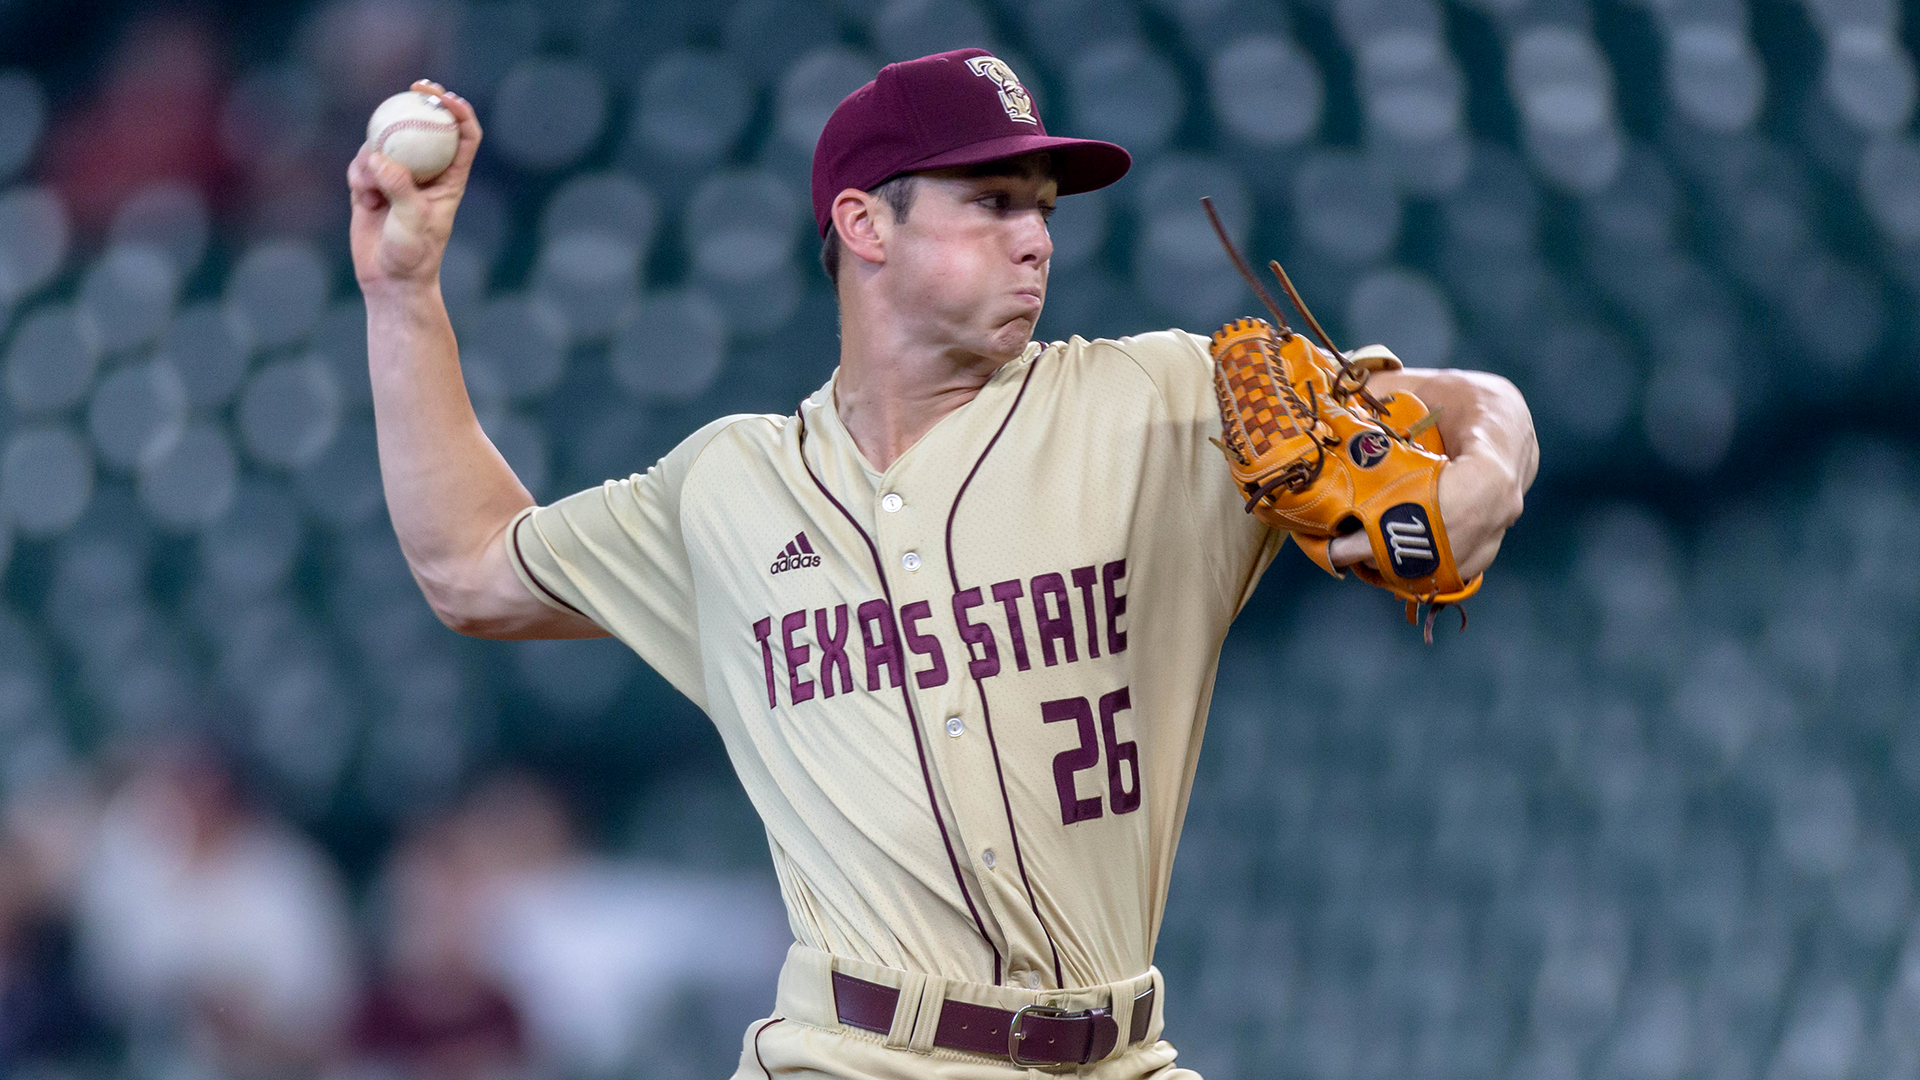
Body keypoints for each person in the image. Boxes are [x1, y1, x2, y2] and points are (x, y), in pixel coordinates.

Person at [348, 48, 1537, 1080]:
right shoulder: (726, 491)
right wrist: (402, 293)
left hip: (1114, 1053)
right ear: (867, 225)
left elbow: (1474, 403)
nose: (1035, 237)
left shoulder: (1167, 402)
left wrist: (1479, 478)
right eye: (994, 200)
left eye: (1044, 210)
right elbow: (468, 568)